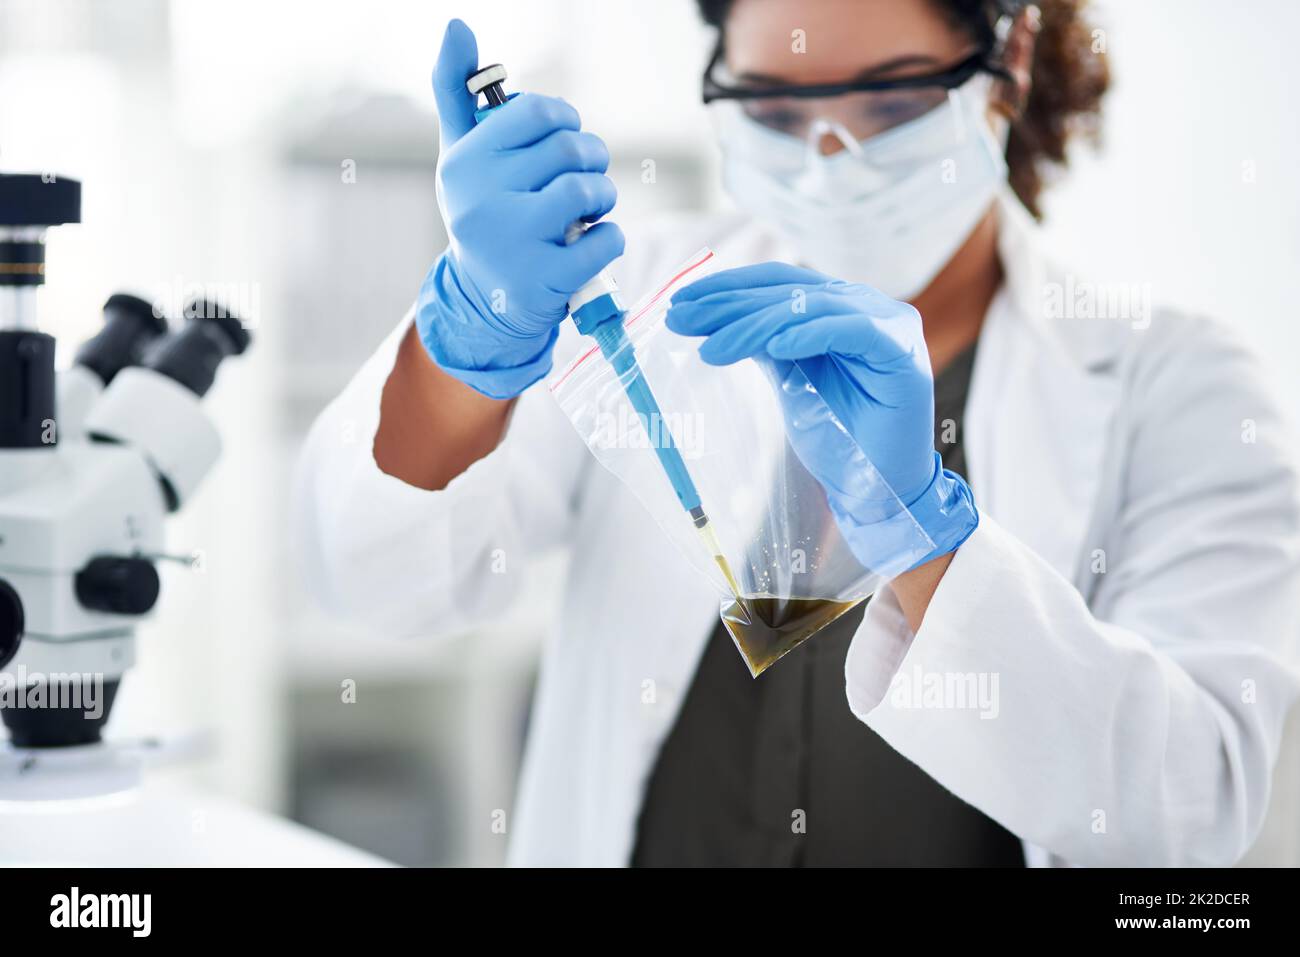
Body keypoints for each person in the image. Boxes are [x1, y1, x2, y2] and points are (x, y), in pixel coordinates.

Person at [293, 0, 1300, 866]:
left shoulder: (1177, 384)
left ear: (1013, 59)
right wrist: (471, 335)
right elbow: (378, 582)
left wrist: (925, 540)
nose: (832, 153)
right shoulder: (645, 302)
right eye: (771, 106)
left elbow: (1189, 807)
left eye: (896, 99)